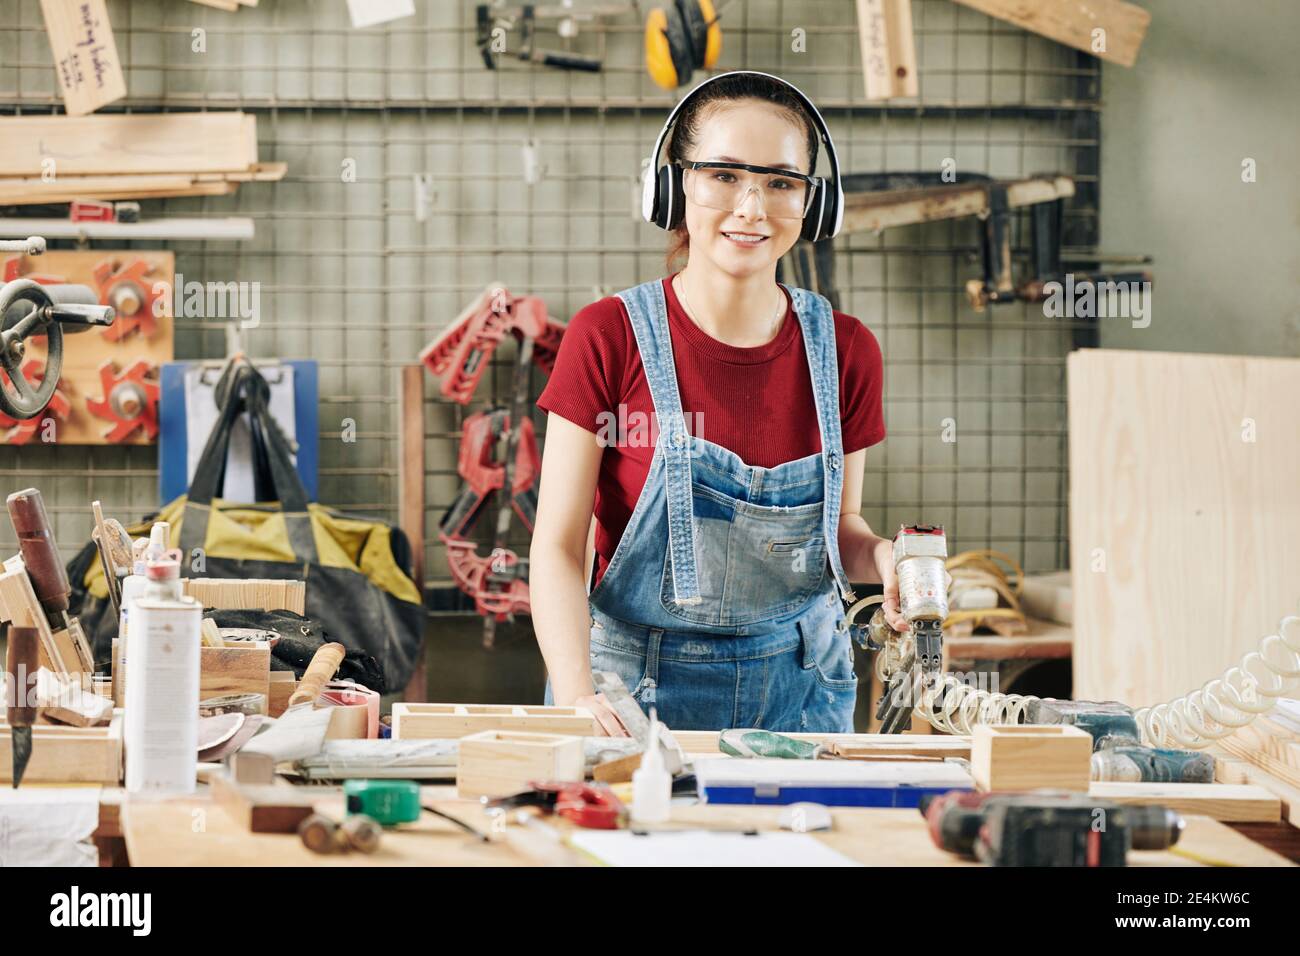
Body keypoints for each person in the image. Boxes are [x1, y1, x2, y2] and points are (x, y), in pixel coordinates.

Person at [530, 71, 907, 736]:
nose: (753, 208)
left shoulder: (847, 351)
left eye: (781, 182)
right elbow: (558, 546)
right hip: (632, 696)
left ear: (814, 205)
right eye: (724, 175)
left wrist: (884, 560)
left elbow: (840, 530)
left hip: (803, 695)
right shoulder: (607, 337)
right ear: (674, 187)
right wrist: (575, 695)